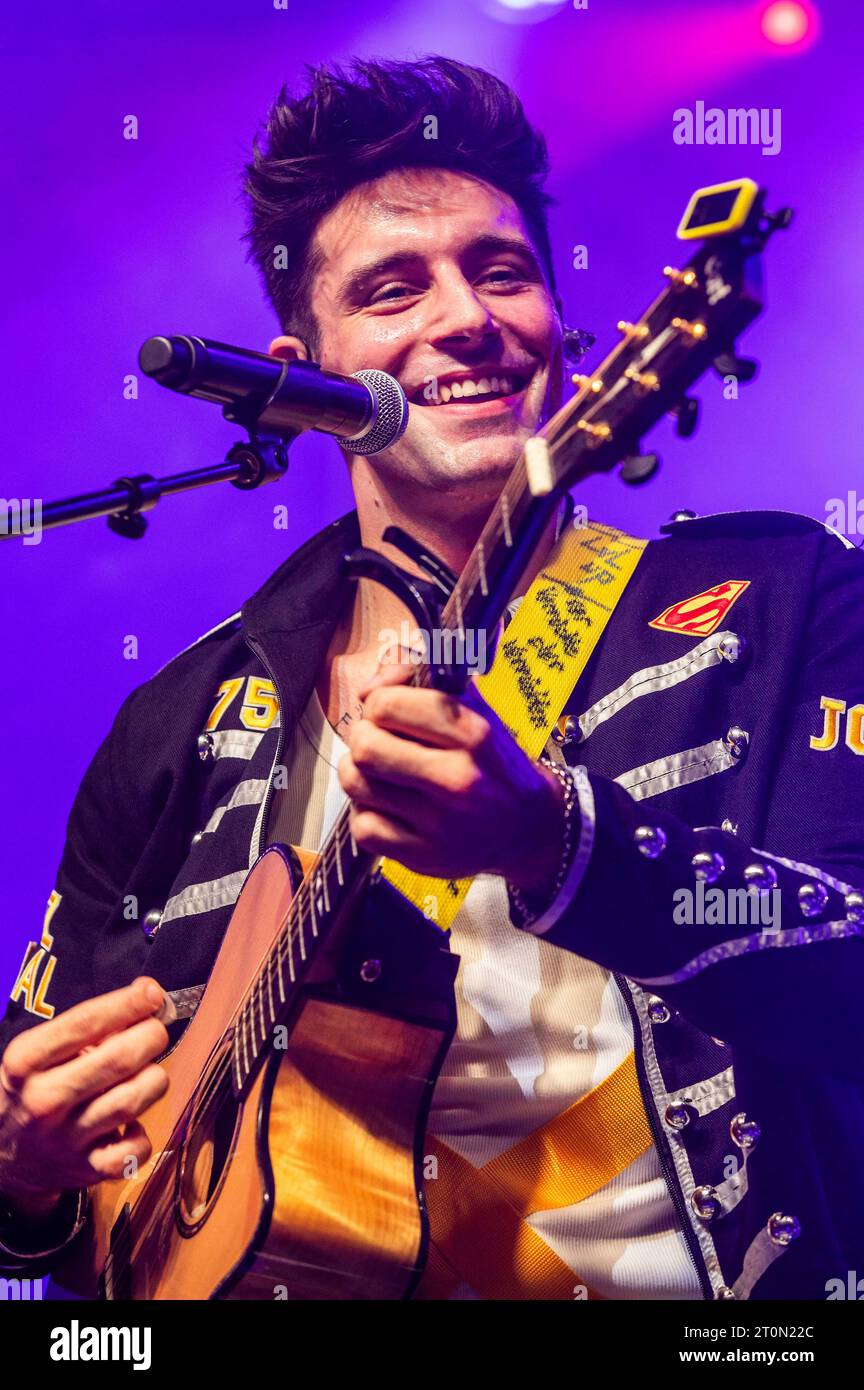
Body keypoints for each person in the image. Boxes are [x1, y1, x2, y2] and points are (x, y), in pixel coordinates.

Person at [1, 56, 862, 1301]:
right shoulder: (176, 726)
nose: (465, 317)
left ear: (565, 327)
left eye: (502, 272)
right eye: (395, 287)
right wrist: (24, 1176)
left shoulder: (779, 600)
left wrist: (560, 843)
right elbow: (67, 1190)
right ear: (304, 372)